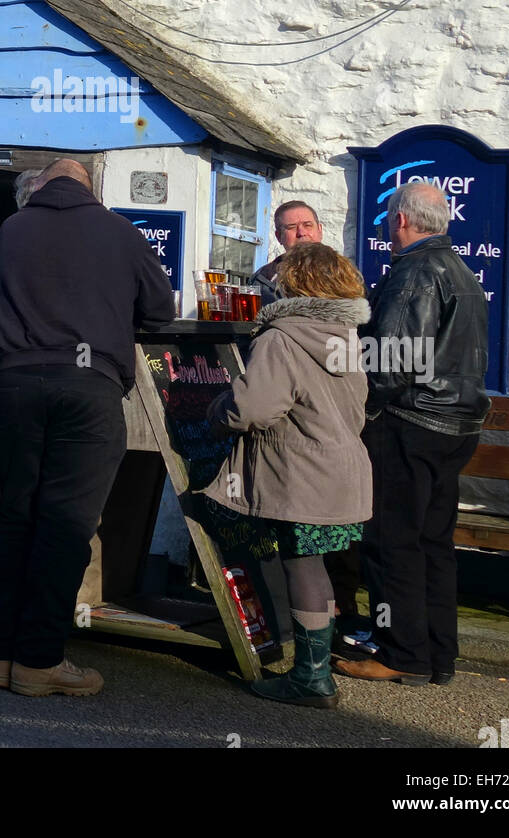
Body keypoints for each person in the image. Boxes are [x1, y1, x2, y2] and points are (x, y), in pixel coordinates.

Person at [0, 158, 175, 697]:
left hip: (18, 384)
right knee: (65, 525)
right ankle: (39, 661)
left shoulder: (12, 227)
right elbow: (160, 313)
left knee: (15, 515)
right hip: (88, 387)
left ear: (40, 185)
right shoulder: (121, 231)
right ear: (90, 186)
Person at [203, 243, 372, 708]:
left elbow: (253, 407)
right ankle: (313, 671)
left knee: (302, 565)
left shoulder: (281, 336)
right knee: (312, 564)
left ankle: (312, 679)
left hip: (301, 471)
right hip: (341, 467)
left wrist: (217, 410)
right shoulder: (344, 334)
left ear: (294, 282)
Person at [335, 182, 490, 687]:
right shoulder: (462, 272)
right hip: (455, 425)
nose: (384, 223)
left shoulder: (415, 273)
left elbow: (392, 363)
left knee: (392, 542)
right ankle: (438, 654)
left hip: (411, 422)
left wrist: (364, 411)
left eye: (387, 216)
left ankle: (402, 653)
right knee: (433, 544)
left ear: (401, 220)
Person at [251, 200, 324, 305]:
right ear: (278, 236)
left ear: (320, 230)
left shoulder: (344, 274)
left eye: (307, 225)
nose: (301, 233)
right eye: (291, 227)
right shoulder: (262, 279)